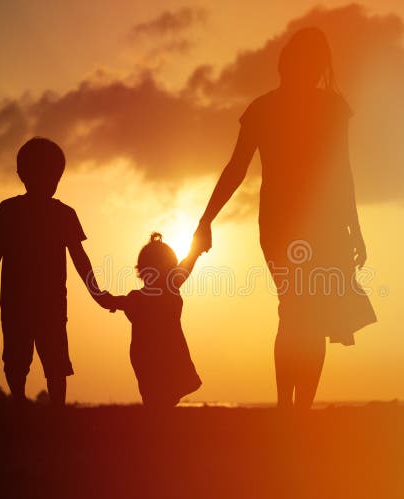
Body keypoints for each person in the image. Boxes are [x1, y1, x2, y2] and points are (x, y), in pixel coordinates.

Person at [193, 27, 376, 409]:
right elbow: (236, 168)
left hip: (321, 222)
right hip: (283, 225)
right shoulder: (264, 109)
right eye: (306, 61)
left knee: (309, 315)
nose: (311, 69)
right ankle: (286, 408)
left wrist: (355, 228)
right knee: (296, 310)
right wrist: (205, 219)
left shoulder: (330, 107)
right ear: (289, 63)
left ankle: (298, 410)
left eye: (316, 63)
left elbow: (341, 170)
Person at [0, 137, 101, 407]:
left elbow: (79, 257)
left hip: (50, 305)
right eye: (46, 175)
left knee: (55, 363)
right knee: (17, 360)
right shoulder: (9, 210)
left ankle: (55, 413)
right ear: (23, 175)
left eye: (55, 177)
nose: (50, 182)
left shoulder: (64, 215)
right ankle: (21, 405)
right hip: (18, 304)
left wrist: (96, 291)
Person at [95, 233, 202, 408]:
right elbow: (191, 257)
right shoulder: (168, 288)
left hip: (152, 359)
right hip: (159, 358)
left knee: (156, 404)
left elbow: (107, 301)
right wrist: (200, 237)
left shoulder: (138, 298)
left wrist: (98, 292)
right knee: (160, 404)